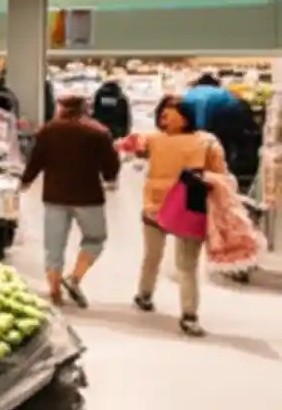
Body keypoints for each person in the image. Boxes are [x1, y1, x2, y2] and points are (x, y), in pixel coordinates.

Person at [136, 100, 226, 337]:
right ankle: (189, 315)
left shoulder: (153, 140)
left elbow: (133, 149)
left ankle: (145, 294)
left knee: (152, 255)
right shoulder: (207, 142)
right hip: (190, 205)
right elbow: (219, 173)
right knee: (187, 265)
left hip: (155, 205)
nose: (164, 120)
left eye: (167, 115)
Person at [20, 95, 121, 307]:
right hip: (88, 196)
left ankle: (54, 289)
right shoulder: (98, 132)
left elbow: (36, 160)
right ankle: (74, 278)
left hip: (55, 195)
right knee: (95, 239)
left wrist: (26, 181)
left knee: (53, 245)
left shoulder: (48, 131)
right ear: (85, 109)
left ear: (61, 108)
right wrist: (110, 179)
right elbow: (111, 163)